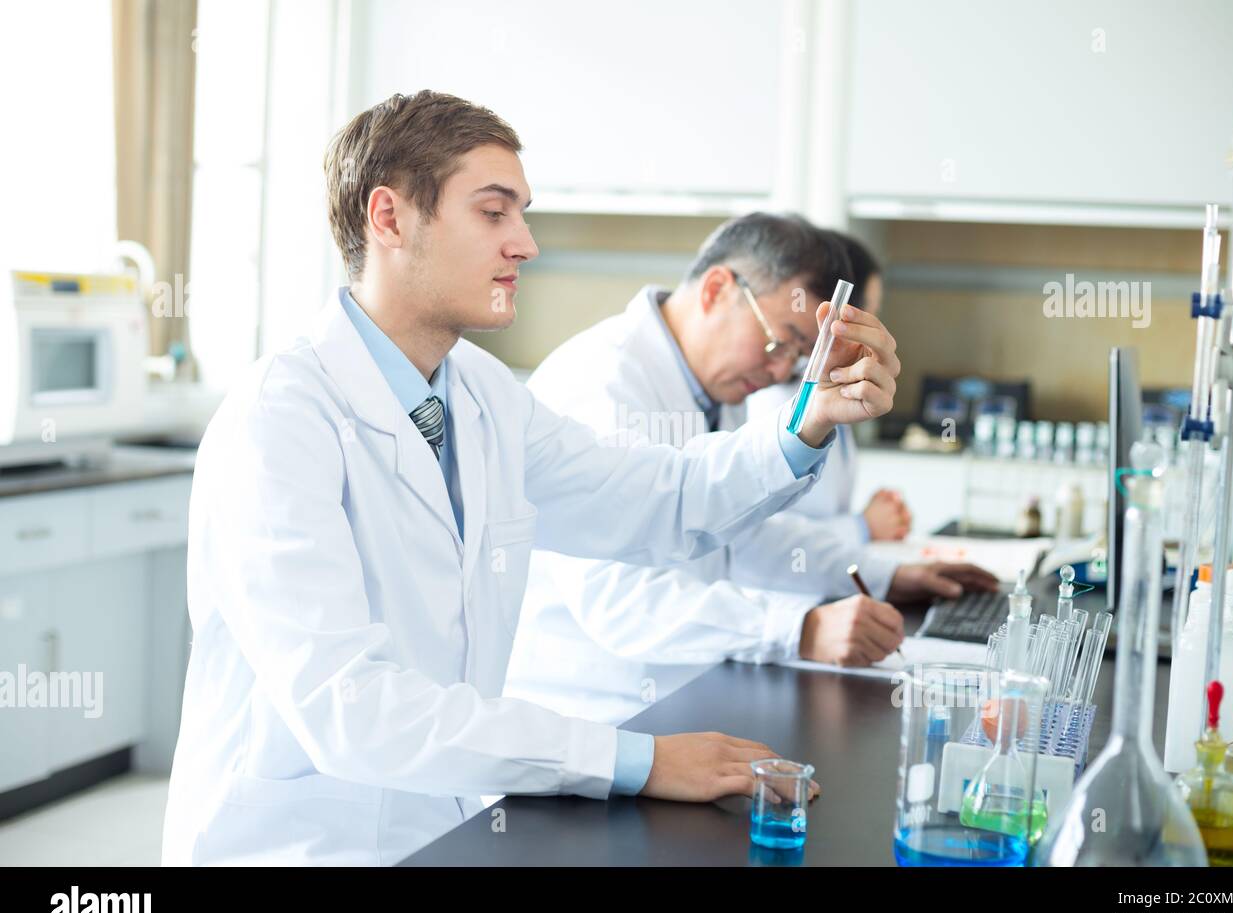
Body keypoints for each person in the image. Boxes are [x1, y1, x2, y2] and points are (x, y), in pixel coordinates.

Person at [160, 93, 900, 865]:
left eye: (524, 213)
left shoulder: (483, 395)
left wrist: (803, 427)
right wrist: (637, 761)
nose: (526, 244)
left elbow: (650, 499)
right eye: (494, 212)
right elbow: (353, 708)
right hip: (299, 843)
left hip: (442, 822)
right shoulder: (281, 419)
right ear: (389, 218)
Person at [504, 214, 997, 726]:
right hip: (593, 716)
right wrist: (799, 629)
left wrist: (882, 574)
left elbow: (739, 533)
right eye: (780, 341)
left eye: (800, 355)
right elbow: (623, 601)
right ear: (718, 288)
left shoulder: (713, 383)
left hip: (675, 696)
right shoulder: (601, 383)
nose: (781, 371)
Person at [746, 230, 910, 541]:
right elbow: (760, 532)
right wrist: (862, 527)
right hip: (784, 587)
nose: (873, 321)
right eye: (869, 309)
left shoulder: (832, 382)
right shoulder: (778, 395)